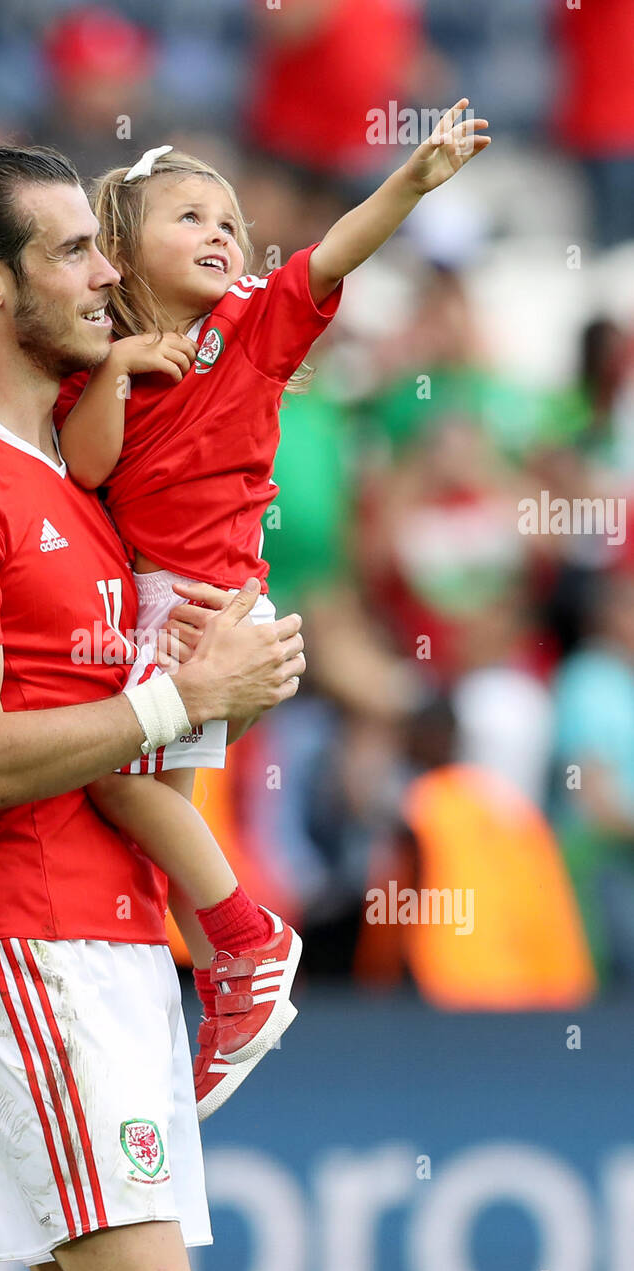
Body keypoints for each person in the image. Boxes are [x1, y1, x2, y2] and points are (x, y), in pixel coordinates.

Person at [0, 113, 306, 1271]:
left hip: (111, 937)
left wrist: (223, 695)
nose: (109, 274)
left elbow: (127, 720)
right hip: (27, 933)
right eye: (74, 252)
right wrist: (171, 703)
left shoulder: (64, 458)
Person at [54, 99, 492, 1116]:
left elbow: (331, 255)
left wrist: (411, 181)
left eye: (228, 221)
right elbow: (89, 463)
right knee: (133, 806)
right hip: (169, 609)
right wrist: (116, 369)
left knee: (118, 782)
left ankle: (244, 947)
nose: (219, 233)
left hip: (211, 607)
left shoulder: (248, 326)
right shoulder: (102, 361)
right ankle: (216, 979)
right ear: (120, 249)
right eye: (190, 217)